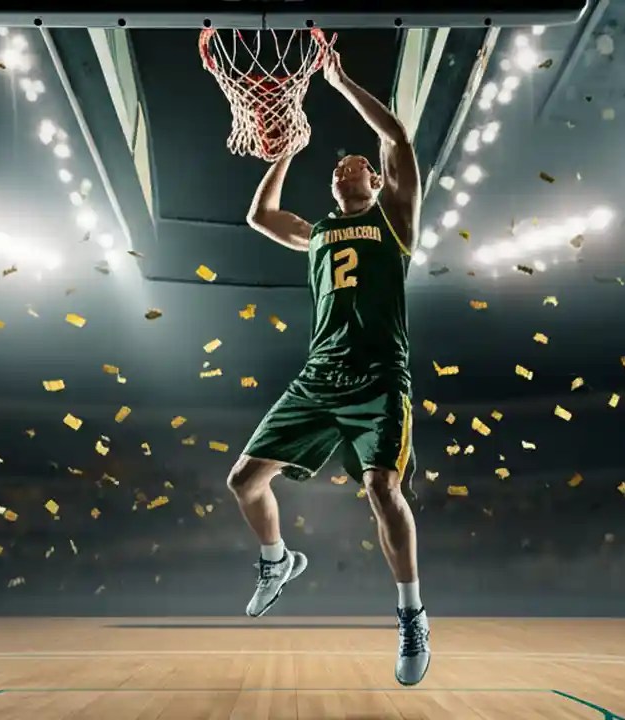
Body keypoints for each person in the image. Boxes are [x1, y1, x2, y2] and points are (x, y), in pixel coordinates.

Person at [226, 47, 428, 686]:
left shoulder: (396, 219)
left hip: (378, 379)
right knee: (243, 482)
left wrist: (340, 80)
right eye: (338, 166)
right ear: (332, 186)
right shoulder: (314, 232)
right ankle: (277, 561)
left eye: (359, 164)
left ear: (374, 179)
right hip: (319, 377)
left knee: (381, 488)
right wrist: (288, 145)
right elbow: (259, 216)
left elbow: (395, 134)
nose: (348, 167)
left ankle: (411, 616)